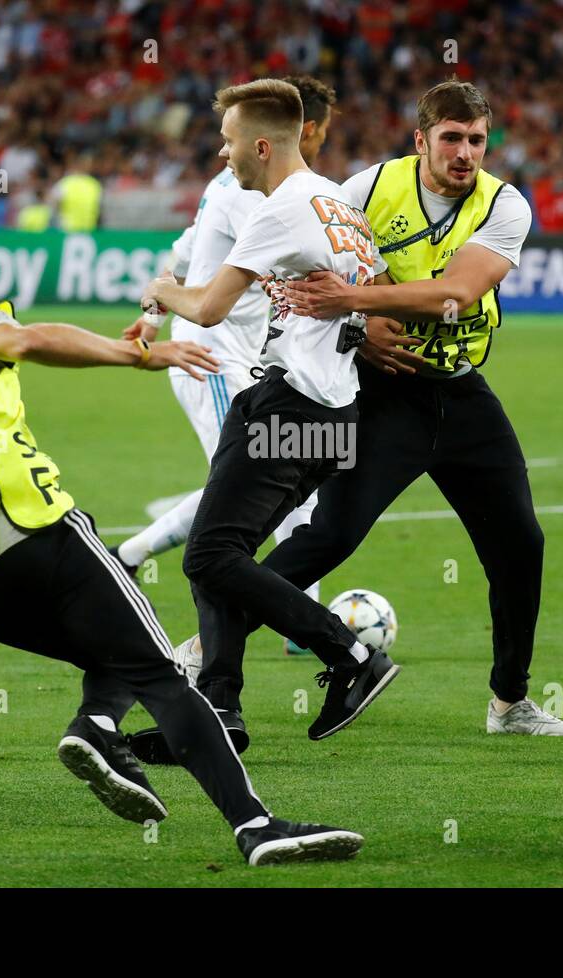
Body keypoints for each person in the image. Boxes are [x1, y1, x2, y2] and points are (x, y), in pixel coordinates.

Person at [0, 236, 365, 866]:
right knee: (165, 674)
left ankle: (97, 728)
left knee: (120, 655)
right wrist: (136, 356)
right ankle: (255, 826)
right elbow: (26, 340)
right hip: (39, 542)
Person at [152, 80, 563, 748]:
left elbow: (458, 292)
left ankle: (510, 701)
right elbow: (298, 251)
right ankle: (211, 648)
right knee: (330, 536)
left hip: (463, 393)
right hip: (380, 393)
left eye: (476, 140)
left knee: (521, 544)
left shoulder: (505, 205)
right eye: (452, 138)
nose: (465, 153)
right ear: (421, 140)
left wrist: (357, 302)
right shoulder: (364, 190)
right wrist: (362, 323)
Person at [135, 79, 401, 754]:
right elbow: (377, 301)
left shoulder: (280, 210)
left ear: (261, 144)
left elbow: (208, 309)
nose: (223, 156)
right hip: (336, 412)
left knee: (211, 555)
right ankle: (218, 715)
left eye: (227, 143)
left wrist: (160, 290)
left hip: (288, 401)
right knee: (223, 556)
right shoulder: (338, 202)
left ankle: (348, 653)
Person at [111, 77, 338, 641]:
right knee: (255, 488)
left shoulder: (231, 183)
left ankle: (130, 554)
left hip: (235, 355)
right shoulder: (259, 196)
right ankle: (296, 623)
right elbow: (214, 291)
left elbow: (186, 250)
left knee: (246, 483)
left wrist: (154, 313)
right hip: (212, 357)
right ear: (304, 130)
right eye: (325, 134)